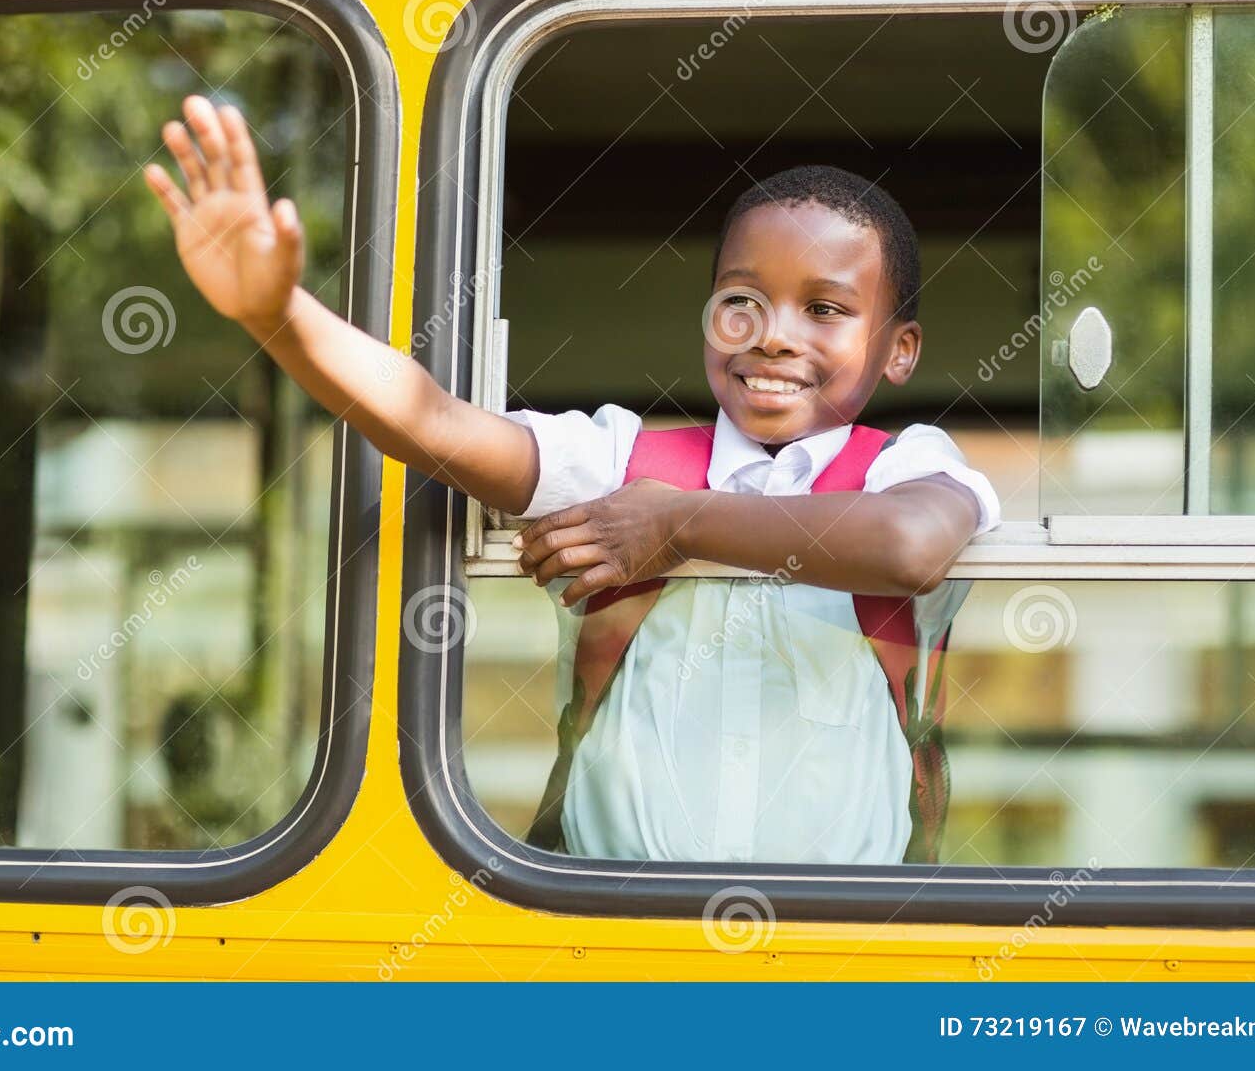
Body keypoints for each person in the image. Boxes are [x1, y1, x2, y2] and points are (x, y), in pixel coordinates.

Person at [145, 95, 1000, 866]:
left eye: (824, 310)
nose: (773, 336)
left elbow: (908, 545)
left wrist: (678, 528)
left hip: (844, 951)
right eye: (743, 299)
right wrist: (279, 314)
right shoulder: (620, 458)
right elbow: (428, 419)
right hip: (608, 931)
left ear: (900, 349)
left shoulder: (903, 465)